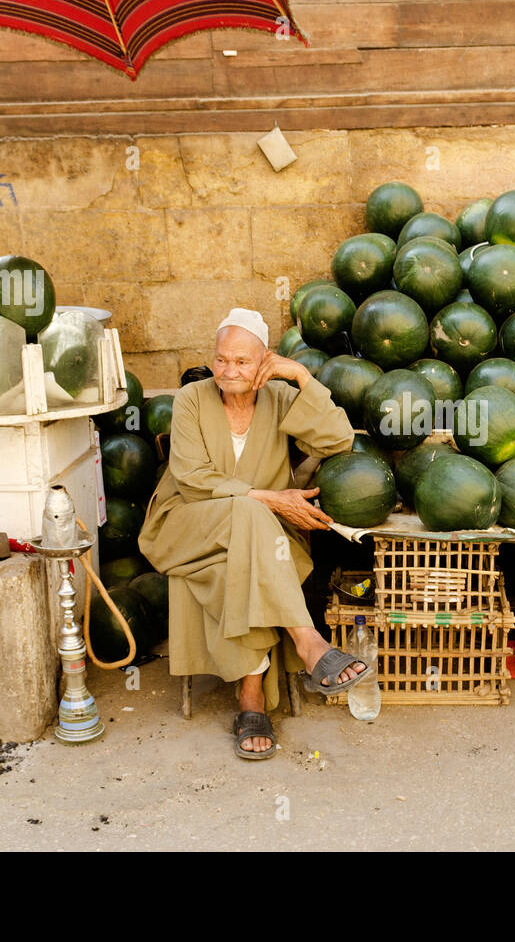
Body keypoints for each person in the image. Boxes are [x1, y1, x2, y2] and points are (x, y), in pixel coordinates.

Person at [138, 308, 370, 760]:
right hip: (186, 525)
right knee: (248, 509)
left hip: (260, 543)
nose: (229, 371)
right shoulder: (191, 398)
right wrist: (270, 498)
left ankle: (251, 698)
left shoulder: (281, 397)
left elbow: (338, 439)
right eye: (222, 359)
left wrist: (301, 374)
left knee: (235, 567)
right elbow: (191, 480)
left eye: (243, 362)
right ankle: (309, 643)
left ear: (265, 359)